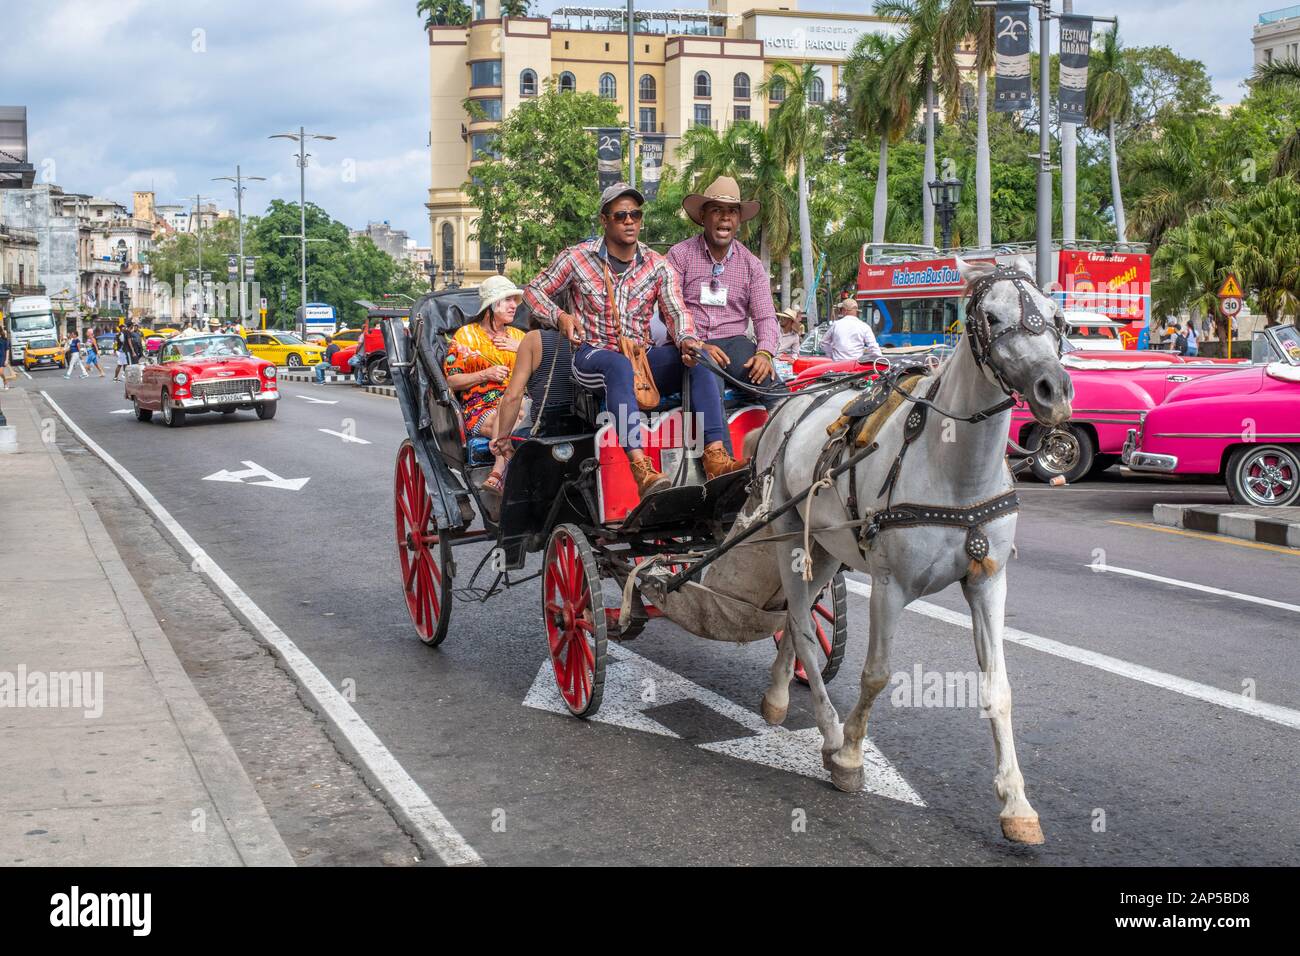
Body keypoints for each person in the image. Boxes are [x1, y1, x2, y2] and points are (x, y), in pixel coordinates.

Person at [525, 183, 742, 497]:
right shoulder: (577, 257)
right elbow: (533, 292)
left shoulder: (657, 265)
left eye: (635, 214)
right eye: (621, 215)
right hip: (592, 355)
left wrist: (689, 341)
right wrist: (559, 316)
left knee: (701, 358)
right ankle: (641, 469)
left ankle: (715, 457)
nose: (630, 221)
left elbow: (676, 312)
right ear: (605, 220)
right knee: (617, 366)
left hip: (641, 357)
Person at [666, 175, 786, 410]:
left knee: (777, 392)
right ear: (703, 216)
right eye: (717, 210)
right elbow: (670, 308)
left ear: (739, 219)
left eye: (732, 211)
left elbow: (765, 317)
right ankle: (720, 447)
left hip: (735, 344)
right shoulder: (680, 255)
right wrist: (692, 342)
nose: (725, 217)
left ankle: (789, 443)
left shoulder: (751, 264)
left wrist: (764, 353)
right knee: (710, 392)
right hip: (693, 342)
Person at [444, 275, 527, 493]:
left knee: (513, 401)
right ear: (492, 304)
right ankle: (502, 467)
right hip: (480, 409)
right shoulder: (466, 336)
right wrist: (485, 374)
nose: (513, 306)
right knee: (508, 405)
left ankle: (498, 470)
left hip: (520, 403)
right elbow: (451, 380)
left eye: (514, 300)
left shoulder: (519, 337)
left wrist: (522, 349)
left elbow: (540, 373)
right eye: (508, 300)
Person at [491, 319, 578, 464]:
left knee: (513, 437)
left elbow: (513, 396)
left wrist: (503, 439)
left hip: (547, 432)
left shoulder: (533, 338)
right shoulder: (590, 335)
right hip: (585, 428)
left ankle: (502, 476)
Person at [822, 296, 883, 363]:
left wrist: (831, 355)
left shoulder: (836, 325)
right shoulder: (864, 326)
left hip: (838, 364)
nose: (840, 311)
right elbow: (874, 348)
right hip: (856, 365)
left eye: (841, 309)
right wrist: (882, 362)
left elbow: (824, 342)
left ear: (844, 311)